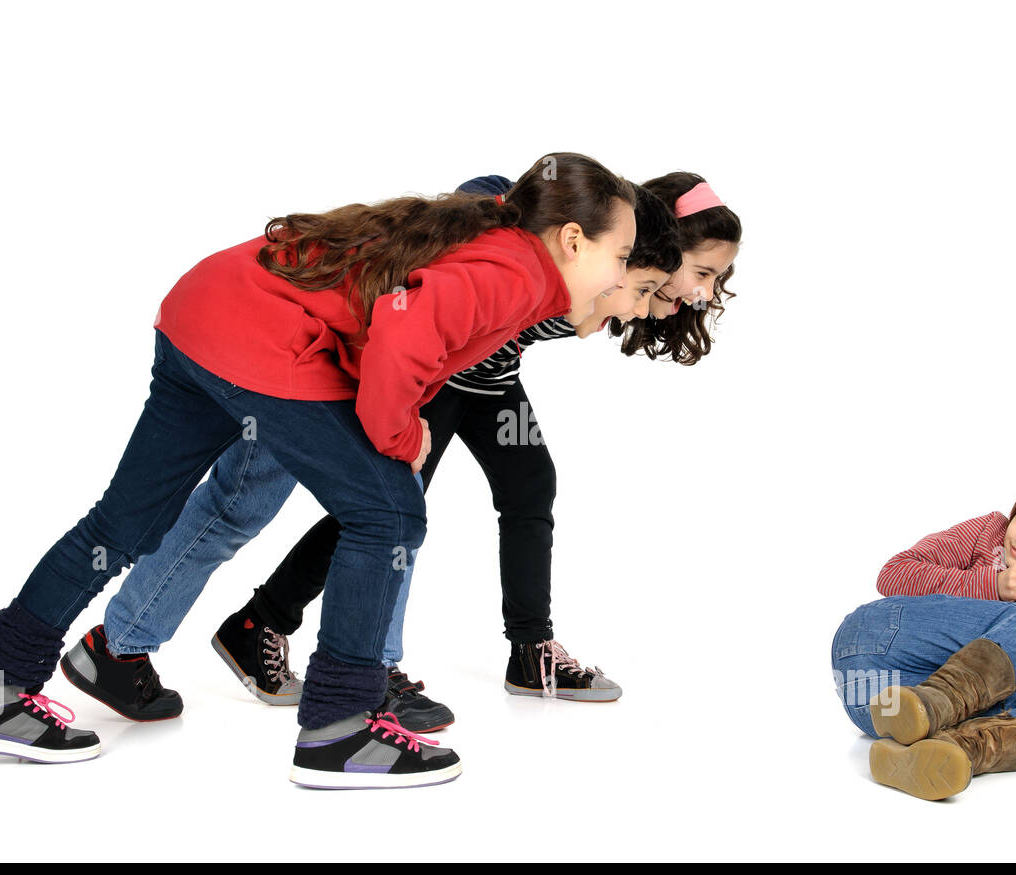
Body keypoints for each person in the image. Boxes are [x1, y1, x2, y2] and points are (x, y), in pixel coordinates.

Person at [0, 152, 637, 791]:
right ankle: (339, 726)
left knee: (121, 521)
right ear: (573, 240)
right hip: (259, 338)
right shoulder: (517, 271)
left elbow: (388, 318)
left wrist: (400, 419)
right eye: (624, 255)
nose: (625, 276)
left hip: (200, 312)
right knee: (389, 511)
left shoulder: (496, 244)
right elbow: (405, 328)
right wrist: (401, 435)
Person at [60, 173, 740, 731]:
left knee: (493, 490)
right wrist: (400, 420)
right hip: (353, 359)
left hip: (437, 371)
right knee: (350, 507)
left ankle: (163, 640)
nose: (700, 293)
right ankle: (337, 664)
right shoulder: (580, 249)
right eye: (697, 274)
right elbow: (459, 251)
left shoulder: (616, 278)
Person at [829, 465, 1016, 800]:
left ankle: (950, 752)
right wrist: (992, 586)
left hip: (880, 710)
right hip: (874, 648)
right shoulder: (987, 534)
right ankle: (931, 706)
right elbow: (894, 574)